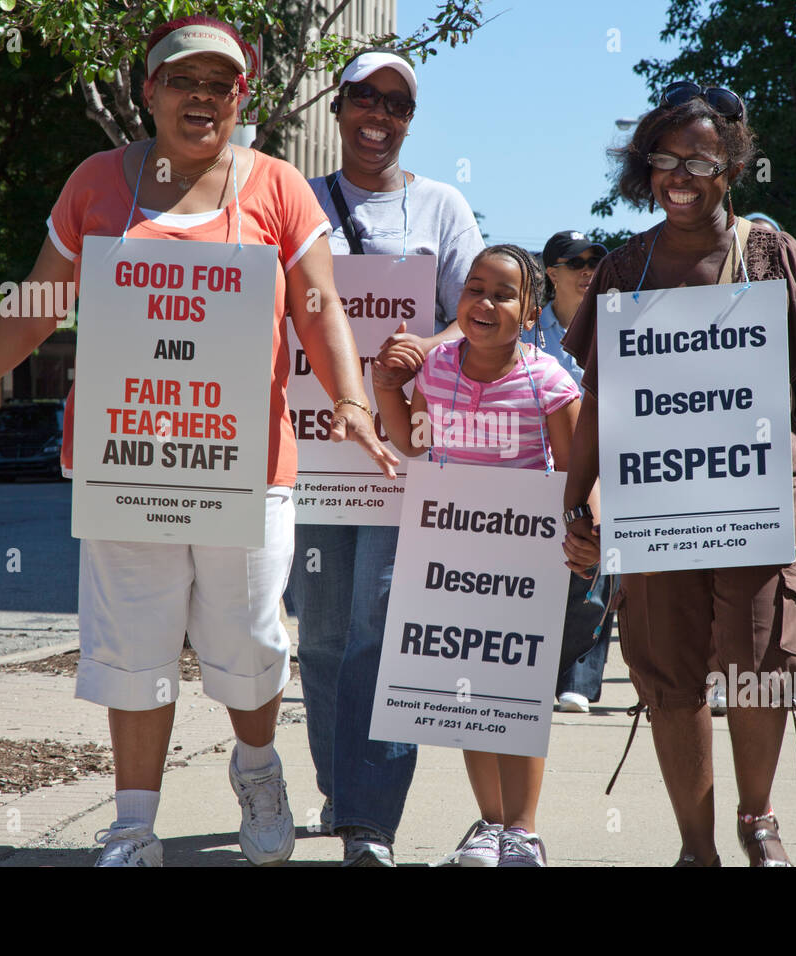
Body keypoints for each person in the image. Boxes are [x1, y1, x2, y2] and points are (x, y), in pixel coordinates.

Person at [0, 15, 397, 867]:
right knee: (134, 644)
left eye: (219, 84)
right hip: (126, 463)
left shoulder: (278, 188)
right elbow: (33, 307)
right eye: (182, 81)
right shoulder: (98, 183)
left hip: (247, 468)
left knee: (247, 639)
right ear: (149, 91)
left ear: (241, 97)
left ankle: (256, 767)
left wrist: (350, 397)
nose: (200, 97)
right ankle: (133, 826)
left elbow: (318, 305)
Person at [559, 83, 796, 866]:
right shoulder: (625, 269)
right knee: (666, 671)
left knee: (762, 659)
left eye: (699, 158)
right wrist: (574, 504)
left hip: (757, 492)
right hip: (655, 497)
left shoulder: (772, 255)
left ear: (732, 166)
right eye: (663, 158)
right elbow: (600, 401)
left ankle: (757, 820)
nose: (678, 174)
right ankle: (697, 848)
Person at [288, 48, 485, 867]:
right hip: (311, 453)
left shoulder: (442, 205)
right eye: (365, 98)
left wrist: (430, 344)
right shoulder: (297, 199)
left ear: (411, 120)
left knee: (382, 628)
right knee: (324, 635)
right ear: (338, 109)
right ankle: (340, 792)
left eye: (397, 105)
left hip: (401, 458)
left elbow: (484, 308)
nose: (380, 116)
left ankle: (370, 824)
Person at [375, 244, 584, 866]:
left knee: (515, 693)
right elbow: (413, 445)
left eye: (502, 293)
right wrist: (388, 386)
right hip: (451, 555)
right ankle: (490, 825)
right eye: (474, 289)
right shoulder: (438, 368)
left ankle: (524, 831)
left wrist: (585, 534)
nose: (484, 302)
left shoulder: (547, 378)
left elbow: (575, 470)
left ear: (530, 312)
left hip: (525, 562)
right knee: (467, 692)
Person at [533, 230, 614, 714]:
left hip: (602, 466)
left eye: (595, 261)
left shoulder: (614, 327)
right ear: (551, 272)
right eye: (575, 261)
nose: (587, 270)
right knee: (543, 576)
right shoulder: (524, 331)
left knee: (594, 566)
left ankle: (578, 680)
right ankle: (533, 670)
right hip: (540, 469)